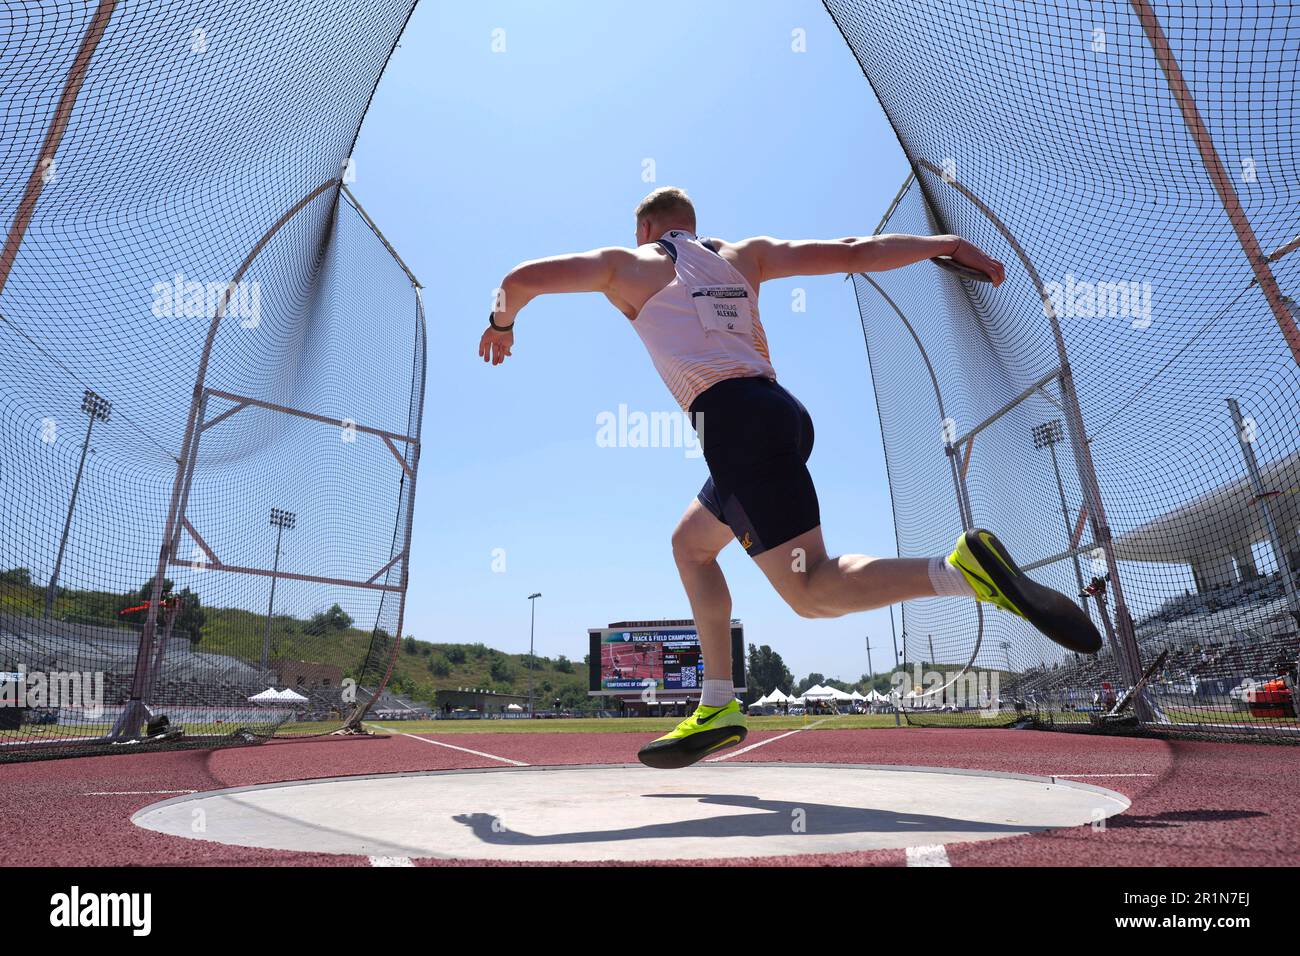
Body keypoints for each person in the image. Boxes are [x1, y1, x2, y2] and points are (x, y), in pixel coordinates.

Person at [479, 187, 1103, 769]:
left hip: (732, 424)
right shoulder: (744, 256)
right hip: (780, 413)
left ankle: (958, 572)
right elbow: (853, 253)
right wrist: (942, 245)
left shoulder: (627, 265)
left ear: (645, 227)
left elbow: (518, 280)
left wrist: (501, 325)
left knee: (812, 591)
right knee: (691, 546)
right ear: (689, 224)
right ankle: (716, 702)